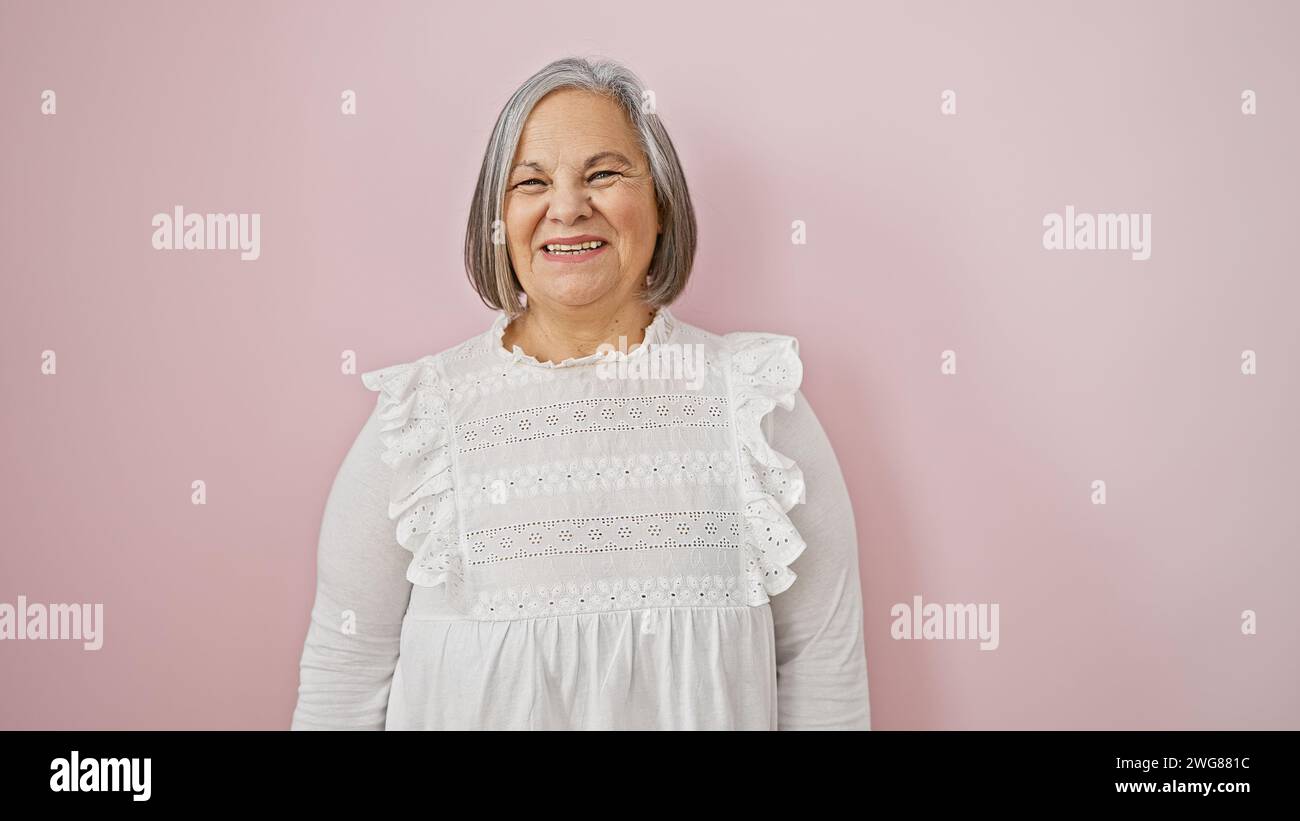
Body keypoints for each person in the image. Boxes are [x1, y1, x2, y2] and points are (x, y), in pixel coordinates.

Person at [291, 56, 870, 730]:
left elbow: (824, 668)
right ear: (498, 220)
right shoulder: (420, 421)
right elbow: (343, 670)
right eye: (531, 181)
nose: (567, 207)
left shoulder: (757, 408)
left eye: (603, 174)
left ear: (661, 205)